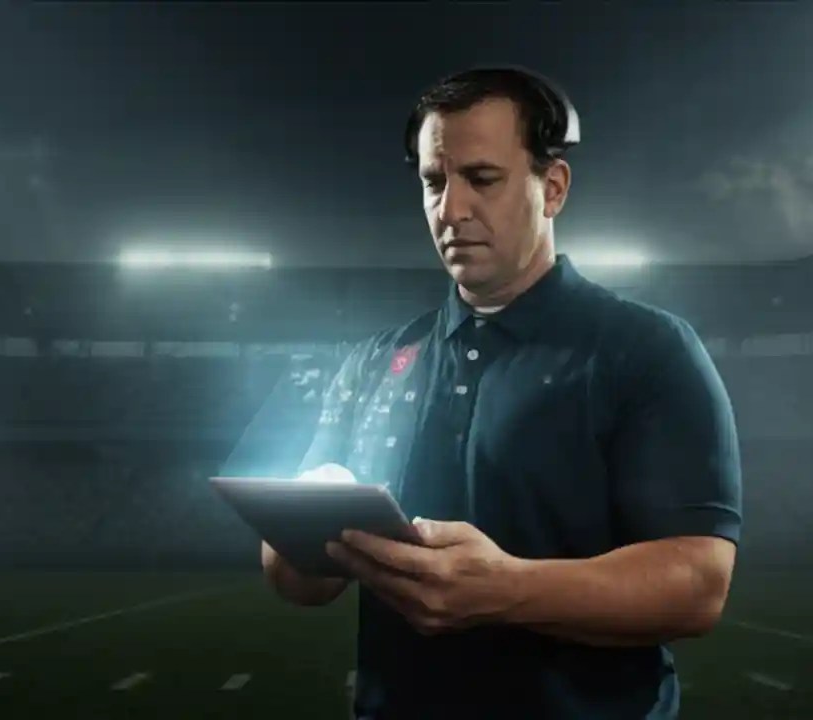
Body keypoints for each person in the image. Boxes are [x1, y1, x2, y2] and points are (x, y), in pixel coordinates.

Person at [257, 65, 742, 719]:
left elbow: (697, 585)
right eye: (434, 181)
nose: (451, 209)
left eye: (482, 178)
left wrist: (505, 589)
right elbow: (298, 582)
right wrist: (311, 535)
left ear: (554, 188)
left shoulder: (645, 349)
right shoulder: (375, 362)